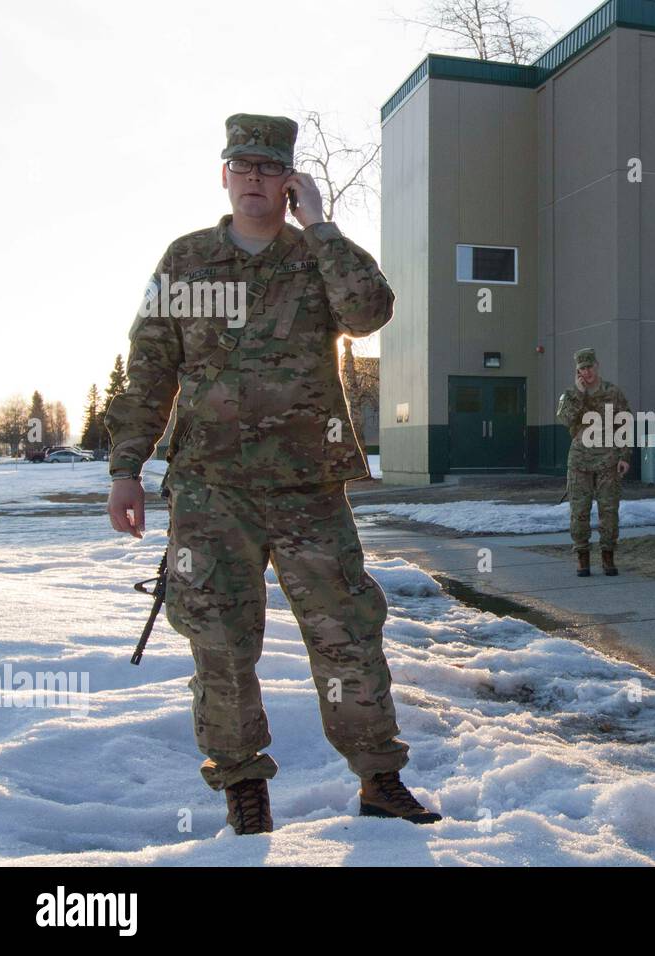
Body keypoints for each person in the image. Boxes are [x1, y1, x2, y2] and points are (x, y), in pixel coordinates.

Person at [105, 113, 441, 834]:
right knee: (220, 641)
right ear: (223, 174)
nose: (254, 179)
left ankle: (380, 779)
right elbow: (150, 368)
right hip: (210, 488)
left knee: (348, 631)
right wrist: (125, 466)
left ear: (288, 181)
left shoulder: (313, 258)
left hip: (308, 486)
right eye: (242, 166)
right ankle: (242, 789)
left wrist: (320, 228)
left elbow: (370, 309)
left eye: (268, 168)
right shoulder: (187, 259)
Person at [555, 348, 632, 576]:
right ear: (577, 371)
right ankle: (583, 557)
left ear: (597, 366)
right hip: (580, 461)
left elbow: (625, 424)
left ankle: (608, 556)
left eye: (589, 367)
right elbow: (566, 418)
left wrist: (625, 456)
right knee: (579, 511)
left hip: (608, 459)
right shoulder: (570, 395)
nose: (586, 372)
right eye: (581, 369)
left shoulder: (613, 392)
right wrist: (579, 393)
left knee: (609, 511)